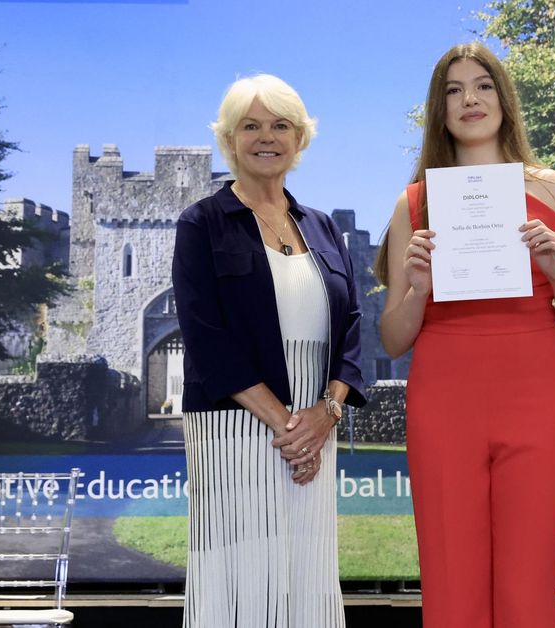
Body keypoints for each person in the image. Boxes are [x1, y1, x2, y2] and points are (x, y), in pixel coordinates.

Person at [376, 42, 555, 627]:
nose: (469, 99)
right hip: (444, 401)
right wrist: (419, 287)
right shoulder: (414, 203)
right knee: (451, 585)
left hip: (536, 397)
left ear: (503, 97)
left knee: (529, 586)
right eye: (453, 89)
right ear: (439, 109)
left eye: (482, 85)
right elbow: (394, 338)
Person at [172, 74, 365, 627]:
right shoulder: (201, 223)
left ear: (300, 139)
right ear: (229, 140)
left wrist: (325, 415)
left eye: (281, 125)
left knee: (305, 571)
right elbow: (207, 337)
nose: (267, 137)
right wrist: (289, 429)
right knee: (237, 576)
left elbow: (350, 327)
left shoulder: (323, 227)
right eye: (250, 126)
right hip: (236, 425)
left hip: (315, 425)